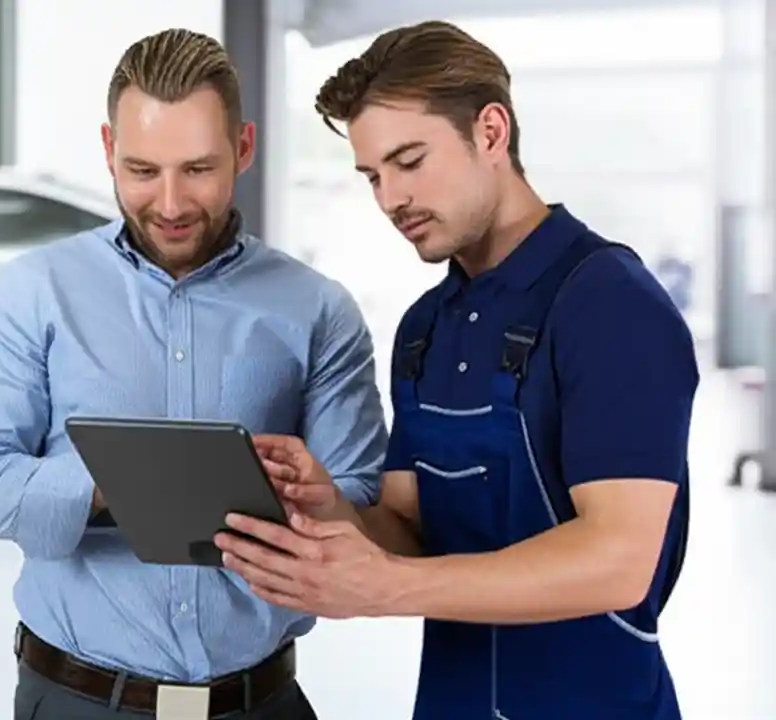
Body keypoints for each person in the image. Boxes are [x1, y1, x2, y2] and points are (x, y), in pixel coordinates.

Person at [213, 19, 696, 720]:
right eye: (373, 175)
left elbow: (620, 559)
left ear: (492, 133)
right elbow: (411, 527)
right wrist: (330, 510)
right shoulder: (423, 330)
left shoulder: (608, 302)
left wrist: (383, 590)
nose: (390, 199)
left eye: (410, 161)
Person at [0, 28, 388, 720]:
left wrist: (309, 498)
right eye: (143, 171)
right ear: (109, 150)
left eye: (198, 169)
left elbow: (360, 502)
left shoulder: (317, 309)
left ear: (243, 148)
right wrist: (116, 479)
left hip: (260, 703)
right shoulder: (34, 291)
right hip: (76, 701)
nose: (171, 204)